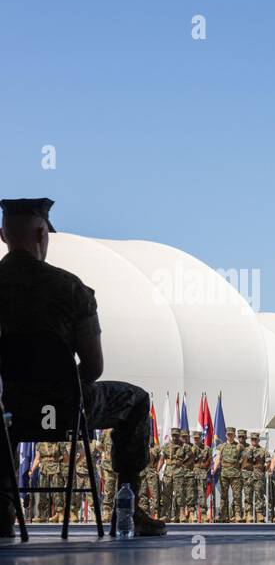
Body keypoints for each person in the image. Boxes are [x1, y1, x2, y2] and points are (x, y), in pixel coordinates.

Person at [0, 197, 163, 535]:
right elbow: (93, 366)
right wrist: (58, 387)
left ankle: (2, 509)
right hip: (65, 408)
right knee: (137, 399)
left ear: (3, 235)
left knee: (8, 414)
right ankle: (127, 507)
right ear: (42, 234)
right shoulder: (70, 288)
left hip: (7, 411)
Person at [216, 426, 243, 521]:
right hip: (224, 474)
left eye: (231, 434)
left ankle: (237, 514)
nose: (230, 436)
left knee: (237, 495)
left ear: (234, 435)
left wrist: (240, 469)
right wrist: (214, 469)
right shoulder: (221, 446)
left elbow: (245, 459)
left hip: (235, 475)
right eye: (228, 435)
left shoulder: (239, 446)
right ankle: (223, 514)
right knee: (223, 495)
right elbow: (218, 459)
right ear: (226, 435)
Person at [242, 431, 268, 522]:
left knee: (259, 494)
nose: (254, 441)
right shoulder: (245, 449)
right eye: (252, 439)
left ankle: (259, 513)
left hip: (258, 475)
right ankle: (248, 513)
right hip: (248, 475)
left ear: (258, 440)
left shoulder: (263, 450)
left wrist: (265, 469)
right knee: (248, 495)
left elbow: (268, 461)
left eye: (255, 439)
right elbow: (241, 462)